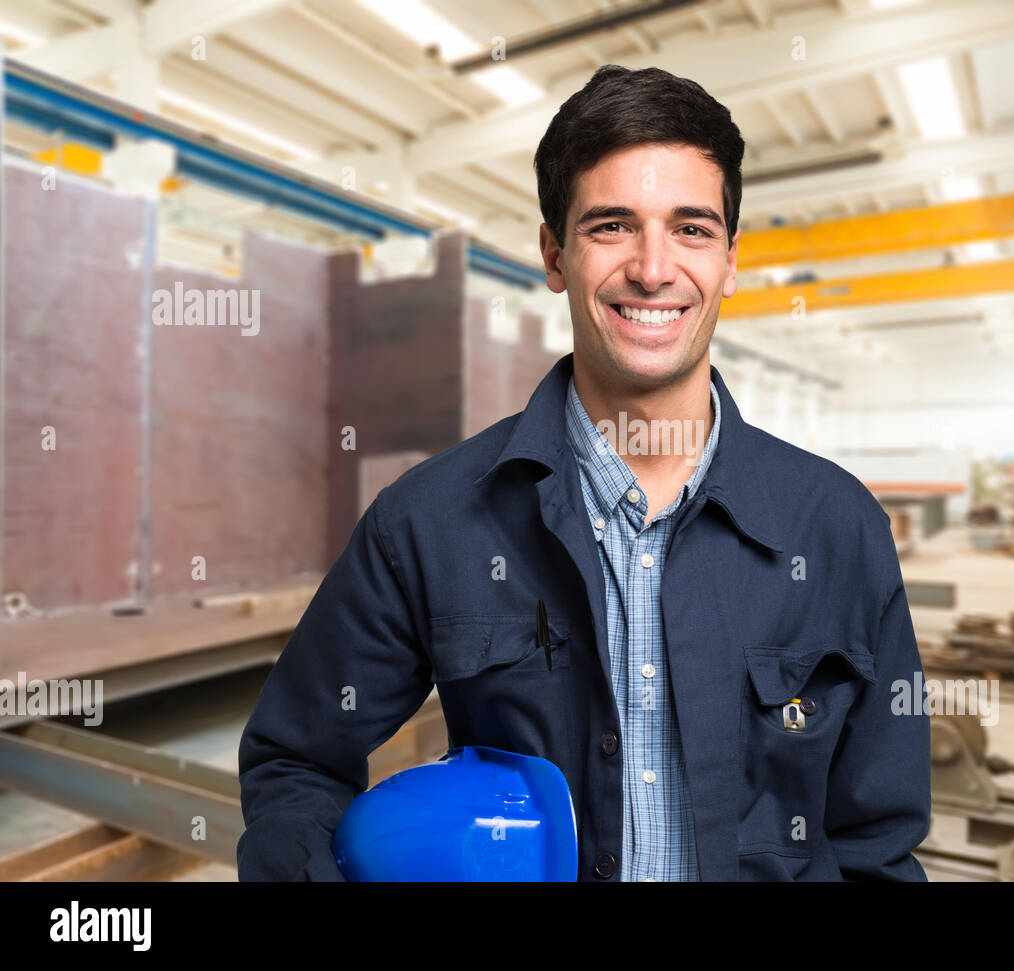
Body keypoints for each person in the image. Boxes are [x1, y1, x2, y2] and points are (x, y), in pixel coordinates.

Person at [237, 64, 930, 882]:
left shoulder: (834, 527)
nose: (651, 268)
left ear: (732, 261)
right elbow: (295, 760)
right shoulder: (430, 522)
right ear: (554, 253)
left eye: (692, 229)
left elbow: (876, 844)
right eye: (611, 226)